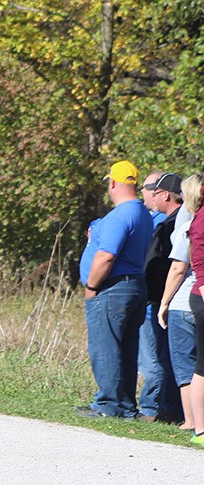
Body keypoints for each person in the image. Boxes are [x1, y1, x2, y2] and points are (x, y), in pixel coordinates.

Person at [77, 160, 152, 419]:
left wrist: (92, 286)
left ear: (112, 183)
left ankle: (108, 405)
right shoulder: (142, 213)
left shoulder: (120, 215)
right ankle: (125, 406)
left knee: (105, 347)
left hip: (113, 288)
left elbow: (106, 256)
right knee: (126, 347)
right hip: (134, 285)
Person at [139, 172, 184, 422]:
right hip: (163, 298)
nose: (151, 197)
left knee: (167, 358)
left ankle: (168, 409)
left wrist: (159, 298)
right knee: (170, 357)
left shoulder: (173, 225)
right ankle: (167, 407)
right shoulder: (172, 222)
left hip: (165, 300)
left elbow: (169, 266)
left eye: (154, 192)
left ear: (166, 195)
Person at [157, 189, 196, 431]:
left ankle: (191, 420)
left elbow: (177, 269)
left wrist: (164, 303)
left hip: (183, 303)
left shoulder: (188, 229)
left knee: (185, 366)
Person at [180, 173, 204, 445]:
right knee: (203, 366)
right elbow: (202, 271)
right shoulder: (198, 224)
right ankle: (200, 430)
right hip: (202, 297)